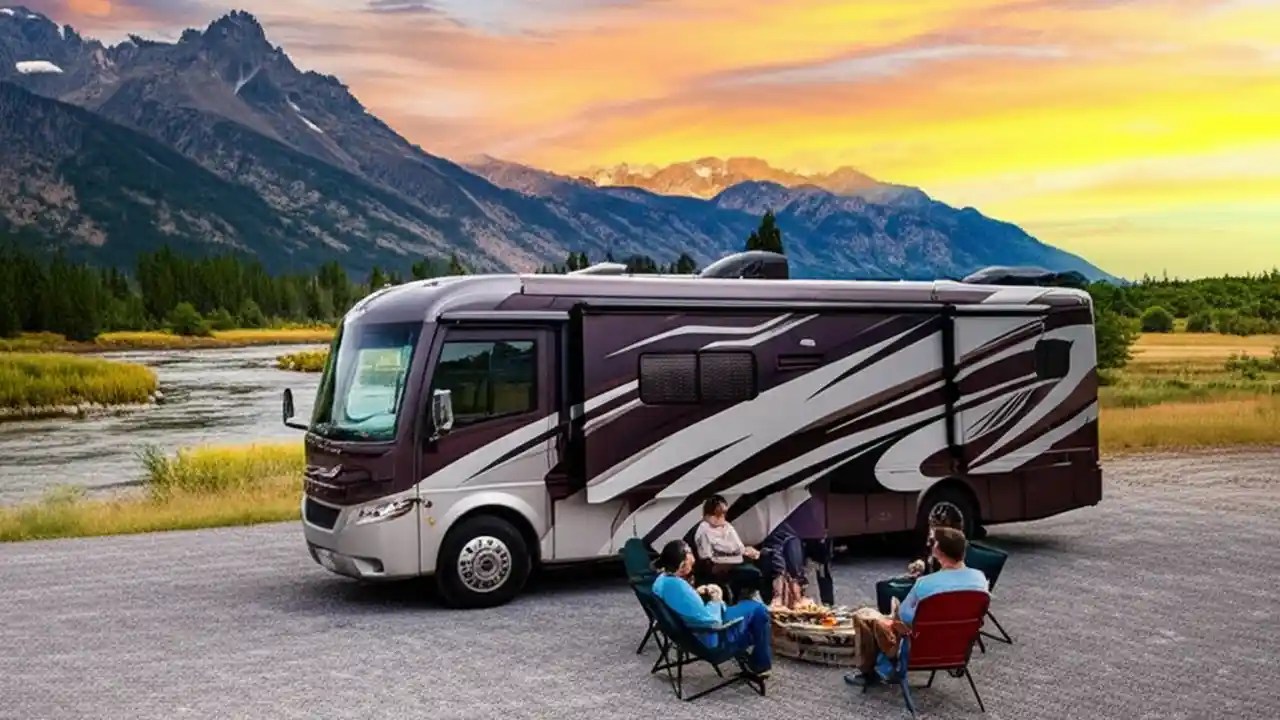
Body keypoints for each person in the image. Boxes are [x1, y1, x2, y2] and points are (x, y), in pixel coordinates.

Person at [845, 527, 989, 687]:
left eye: (933, 542)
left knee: (864, 616)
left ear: (938, 550)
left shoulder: (924, 584)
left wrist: (895, 610)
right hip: (957, 649)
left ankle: (873, 672)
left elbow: (903, 621)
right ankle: (882, 668)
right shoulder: (980, 580)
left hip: (919, 648)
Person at [651, 539, 773, 678]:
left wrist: (695, 593)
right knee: (759, 611)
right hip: (712, 638)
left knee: (754, 611)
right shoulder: (679, 588)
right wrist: (716, 599)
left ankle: (759, 661)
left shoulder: (661, 581)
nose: (693, 558)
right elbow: (712, 622)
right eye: (690, 554)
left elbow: (685, 605)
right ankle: (760, 664)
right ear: (682, 564)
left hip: (690, 634)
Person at [693, 495, 765, 601]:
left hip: (737, 560)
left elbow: (739, 547)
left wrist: (747, 552)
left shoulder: (727, 527)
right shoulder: (703, 531)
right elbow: (707, 559)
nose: (721, 518)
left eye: (724, 514)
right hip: (719, 567)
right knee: (750, 573)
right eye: (718, 514)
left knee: (765, 557)